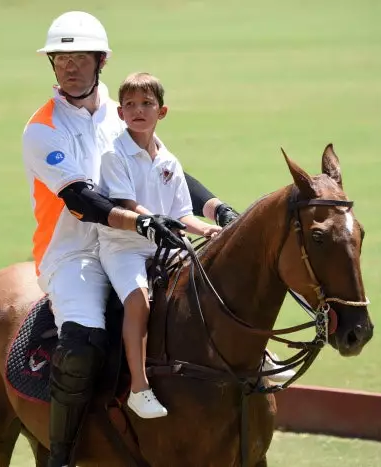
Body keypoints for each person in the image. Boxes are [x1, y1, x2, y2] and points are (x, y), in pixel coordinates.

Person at [22, 11, 239, 467]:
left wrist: (218, 209)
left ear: (101, 60)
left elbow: (164, 167)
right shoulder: (42, 128)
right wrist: (141, 222)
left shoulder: (120, 111)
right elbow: (81, 198)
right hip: (73, 252)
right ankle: (61, 454)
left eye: (80, 57)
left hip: (136, 241)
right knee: (83, 342)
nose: (69, 67)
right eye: (60, 59)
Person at [98, 72, 222, 419]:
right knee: (138, 301)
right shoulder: (114, 154)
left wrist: (208, 231)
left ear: (162, 112)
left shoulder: (169, 159)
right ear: (120, 113)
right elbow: (125, 204)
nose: (139, 110)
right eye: (130, 105)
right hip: (124, 247)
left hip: (165, 243)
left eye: (147, 104)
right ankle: (139, 387)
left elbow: (183, 214)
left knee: (214, 280)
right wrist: (154, 221)